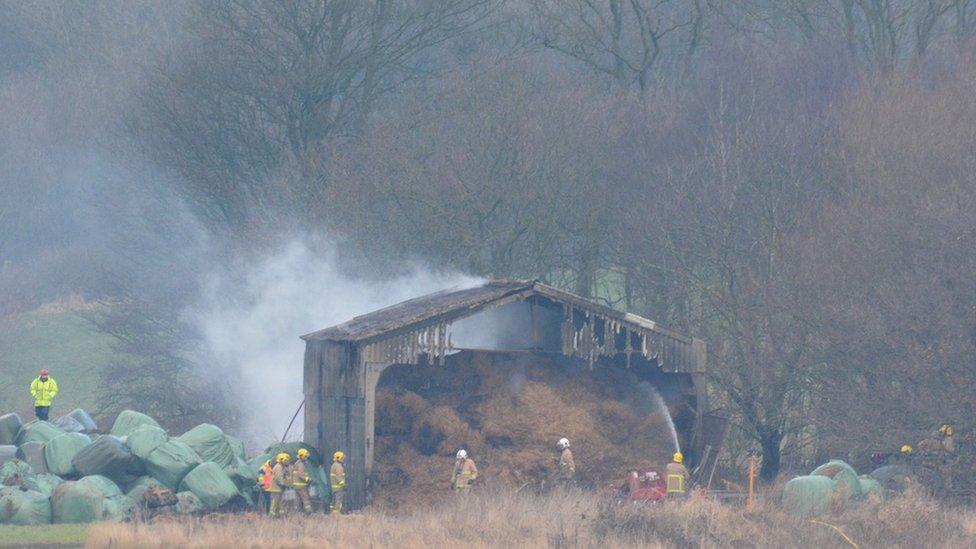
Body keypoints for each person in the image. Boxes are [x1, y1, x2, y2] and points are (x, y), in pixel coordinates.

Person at [291, 448, 313, 514]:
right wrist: (307, 479)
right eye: (305, 456)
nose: (306, 458)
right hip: (301, 485)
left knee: (297, 499)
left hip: (296, 485)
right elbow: (301, 474)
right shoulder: (301, 464)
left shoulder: (297, 463)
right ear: (302, 456)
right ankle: (308, 512)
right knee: (305, 498)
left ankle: (297, 512)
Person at [269, 452, 291, 517]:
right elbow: (279, 478)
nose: (288, 462)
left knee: (281, 502)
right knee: (274, 503)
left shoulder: (282, 467)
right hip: (276, 488)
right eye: (286, 460)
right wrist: (284, 484)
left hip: (279, 488)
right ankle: (271, 516)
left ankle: (280, 515)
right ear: (282, 460)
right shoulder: (278, 467)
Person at [330, 451, 346, 515]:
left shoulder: (333, 465)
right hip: (338, 487)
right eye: (342, 458)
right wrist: (343, 484)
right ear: (339, 458)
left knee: (333, 501)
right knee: (338, 501)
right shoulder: (338, 466)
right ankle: (336, 514)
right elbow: (339, 476)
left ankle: (332, 513)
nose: (343, 459)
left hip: (334, 487)